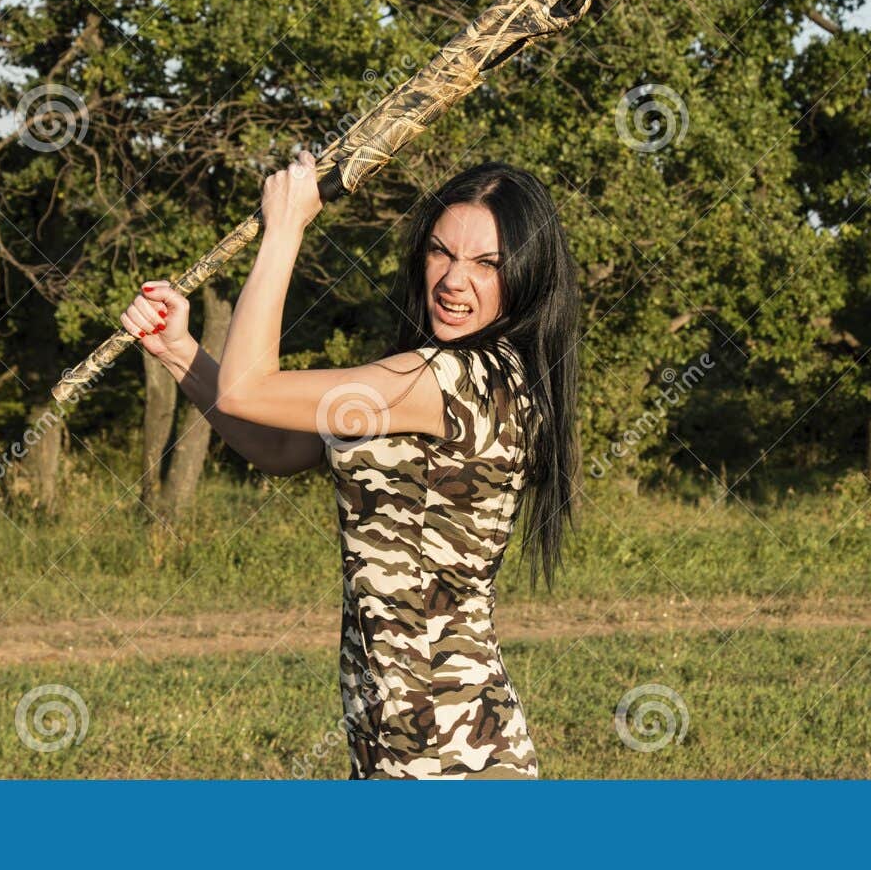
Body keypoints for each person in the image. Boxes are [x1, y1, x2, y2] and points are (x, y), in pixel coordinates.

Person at [123, 151, 581, 779]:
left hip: (449, 749)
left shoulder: (448, 379)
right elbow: (282, 447)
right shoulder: (435, 373)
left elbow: (250, 388)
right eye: (441, 252)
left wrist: (285, 229)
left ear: (527, 276)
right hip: (391, 731)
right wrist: (181, 353)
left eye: (486, 264)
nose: (453, 280)